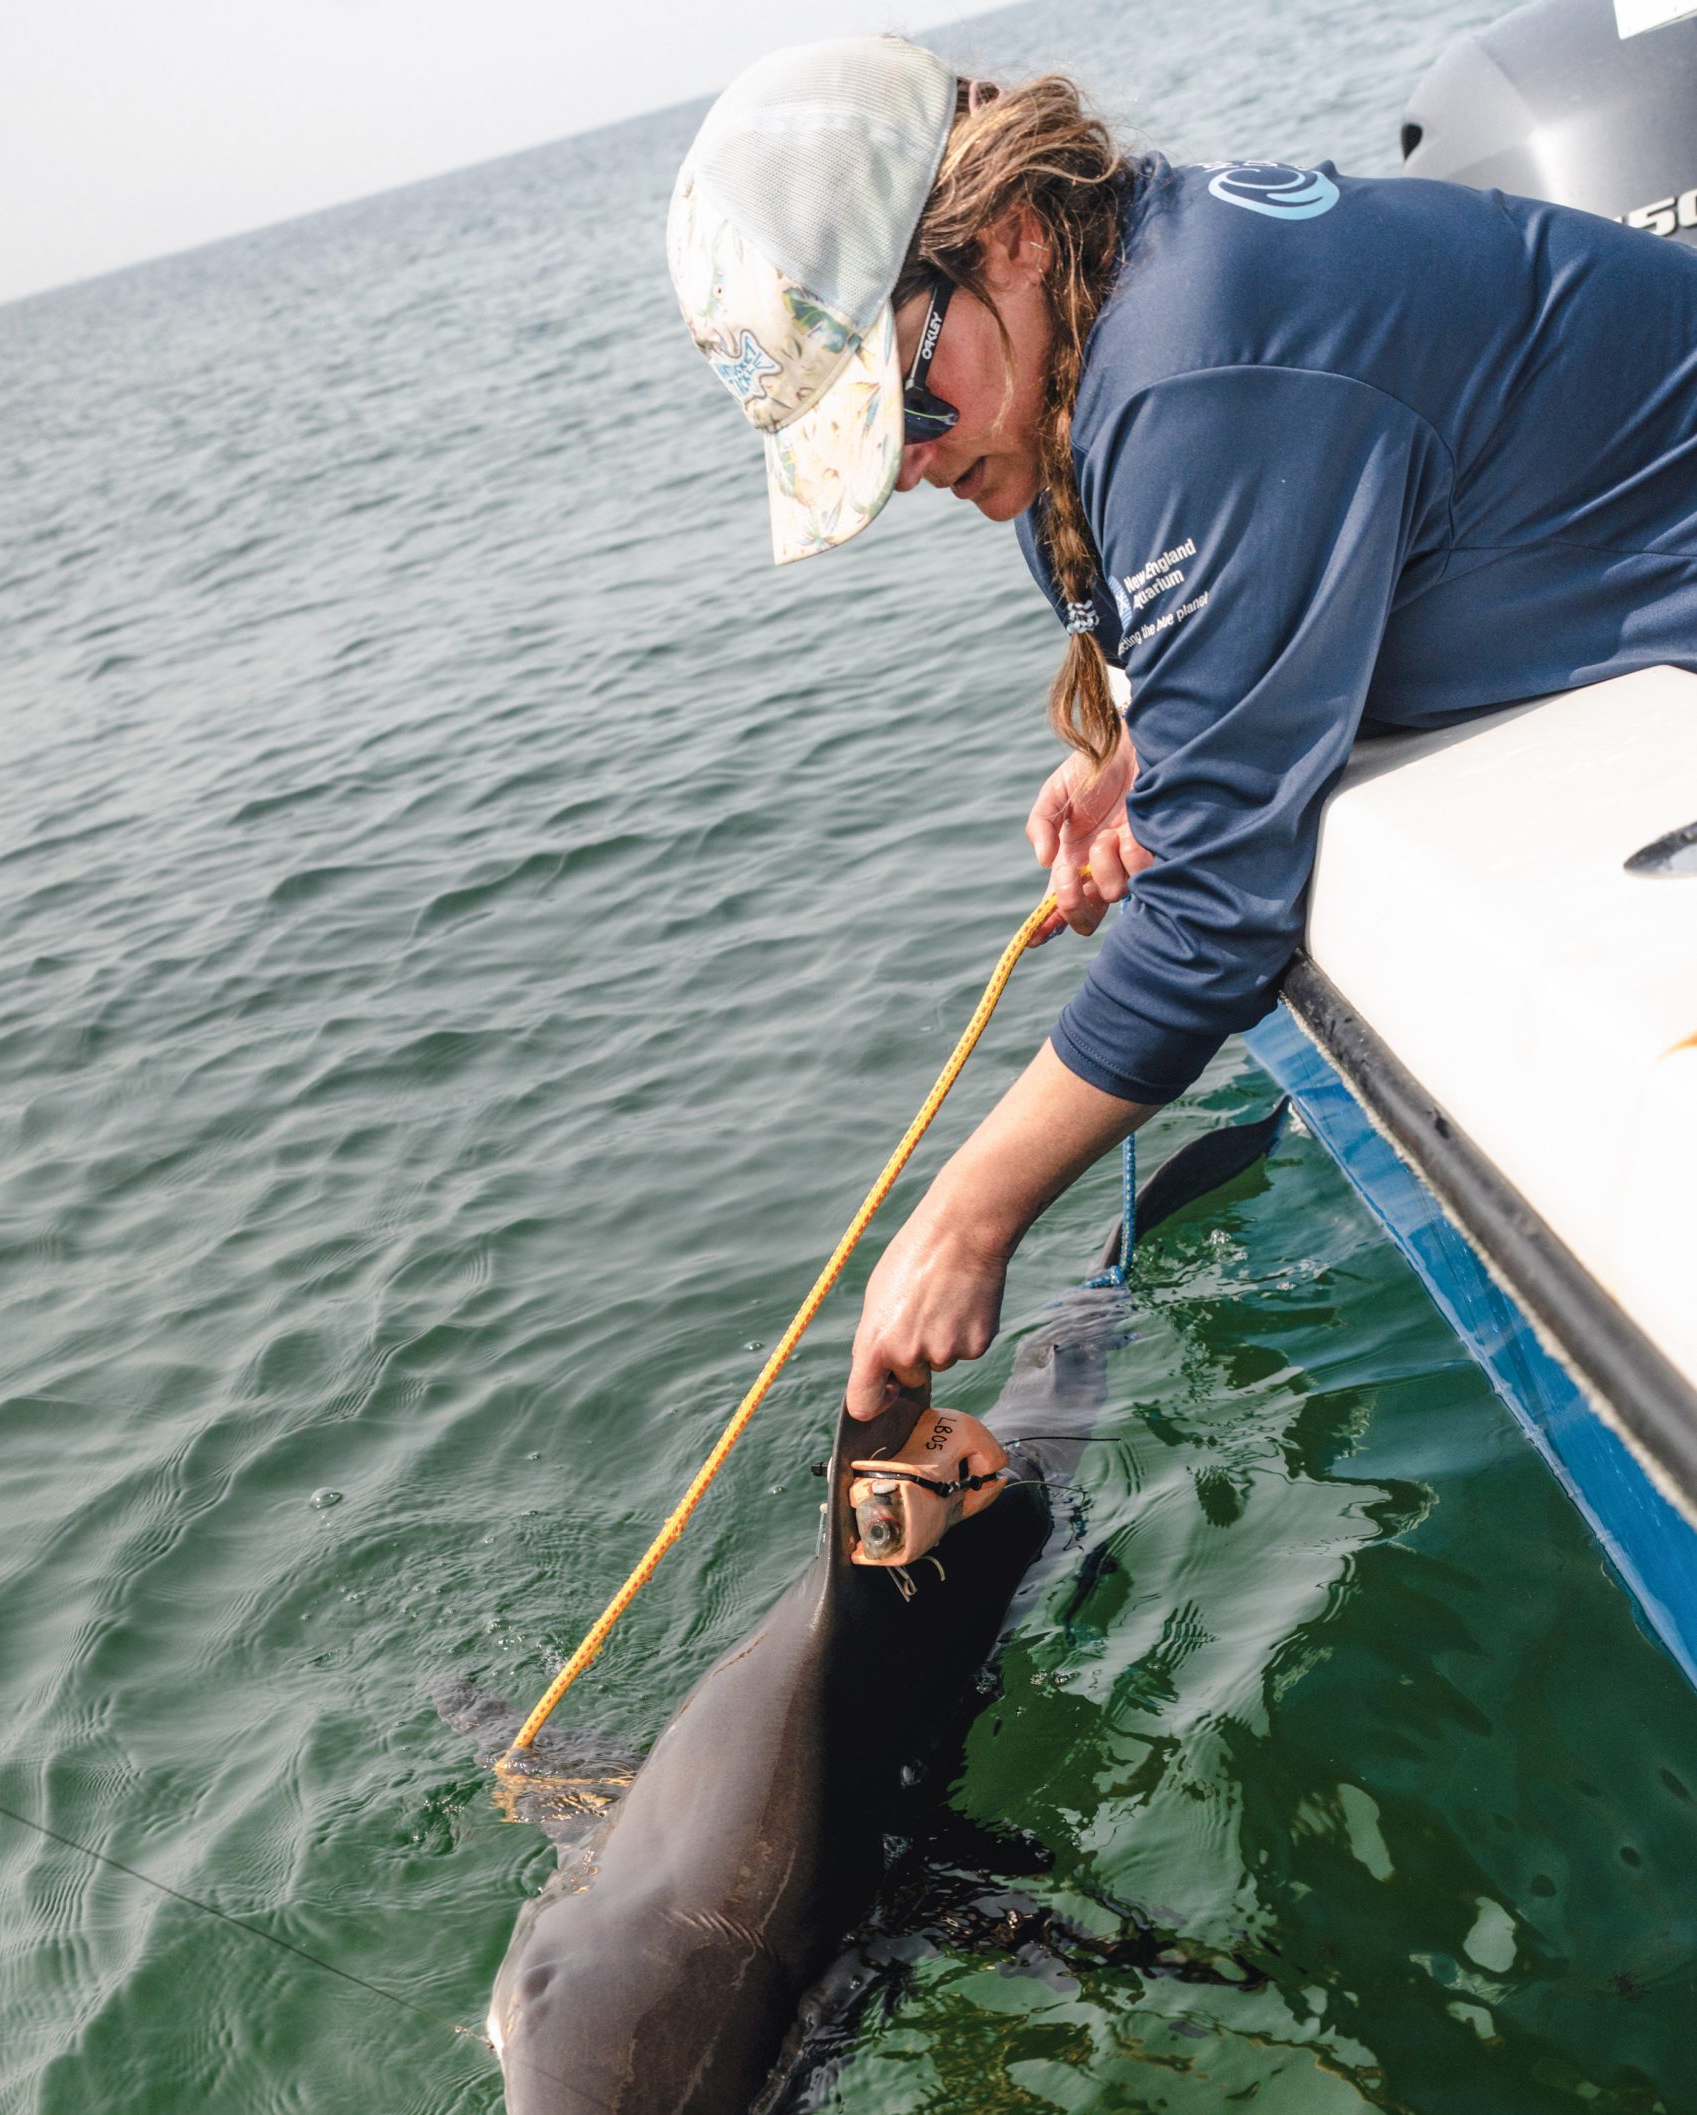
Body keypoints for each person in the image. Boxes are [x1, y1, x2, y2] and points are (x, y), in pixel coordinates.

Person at [667, 36, 1697, 1422]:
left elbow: (1219, 901)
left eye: (903, 398)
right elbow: (1298, 559)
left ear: (1014, 236)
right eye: (868, 440)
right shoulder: (1129, 297)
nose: (908, 462)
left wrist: (968, 1220)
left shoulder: (1191, 372)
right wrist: (1140, 758)